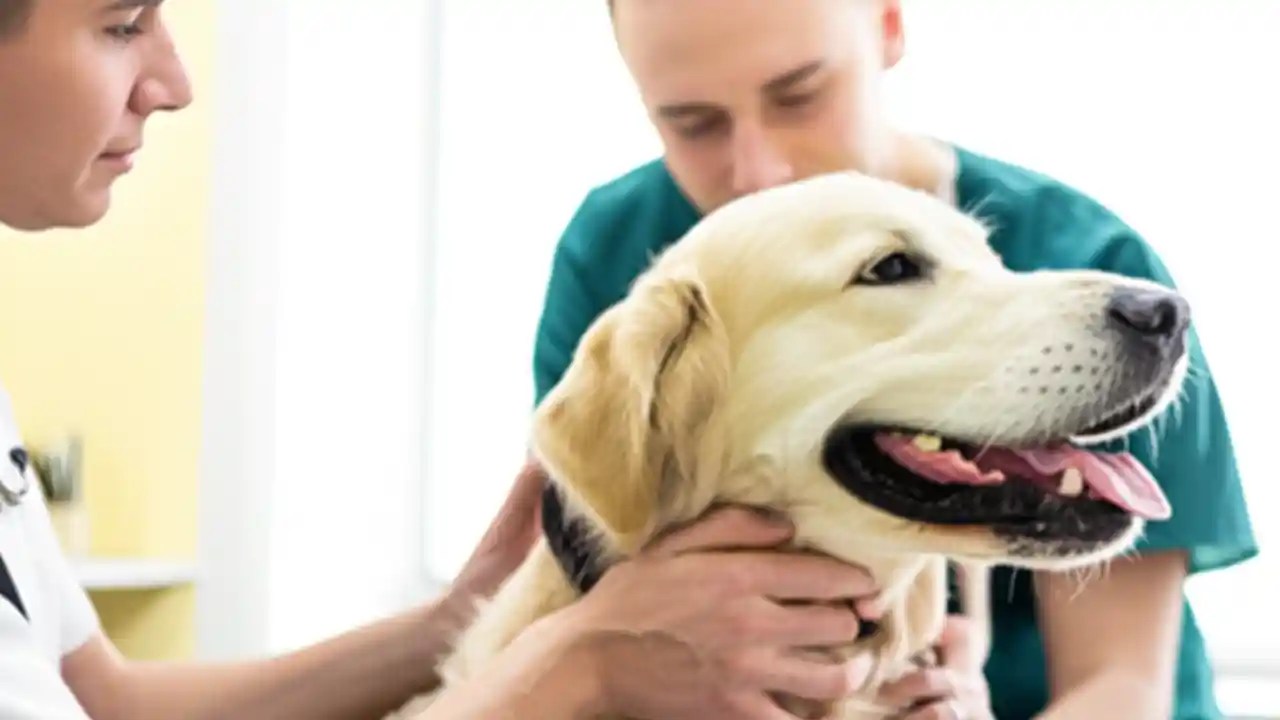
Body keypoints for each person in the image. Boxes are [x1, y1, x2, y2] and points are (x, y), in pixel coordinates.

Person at [0, 2, 884, 719]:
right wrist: (584, 666)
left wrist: (466, 617)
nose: (175, 82)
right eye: (121, 25)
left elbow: (103, 699)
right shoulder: (612, 245)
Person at [523, 0, 1259, 719]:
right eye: (693, 124)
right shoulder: (619, 261)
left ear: (889, 25)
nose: (760, 170)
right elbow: (601, 562)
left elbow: (1121, 687)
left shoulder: (1094, 268)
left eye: (800, 94)